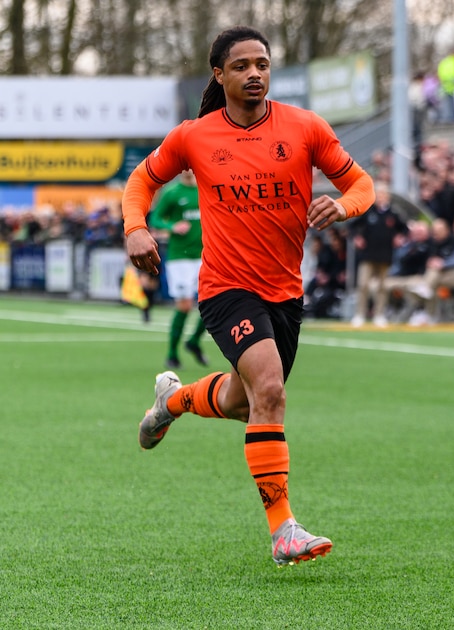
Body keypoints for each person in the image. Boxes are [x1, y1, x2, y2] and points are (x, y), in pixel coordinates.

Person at [122, 26, 375, 566]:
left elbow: (363, 185)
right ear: (220, 74)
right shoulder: (194, 136)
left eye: (262, 63)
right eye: (241, 66)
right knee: (271, 391)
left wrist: (345, 206)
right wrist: (134, 227)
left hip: (285, 292)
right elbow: (140, 181)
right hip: (226, 289)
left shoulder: (305, 127)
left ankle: (172, 401)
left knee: (247, 402)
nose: (255, 73)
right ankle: (283, 529)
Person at [148, 169, 208, 369]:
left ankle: (193, 341)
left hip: (205, 256)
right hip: (179, 257)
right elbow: (155, 218)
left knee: (213, 305)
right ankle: (172, 354)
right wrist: (173, 226)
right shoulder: (172, 192)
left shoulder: (207, 189)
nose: (189, 169)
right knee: (184, 305)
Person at [350, 181, 404, 327]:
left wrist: (399, 237)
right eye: (378, 194)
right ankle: (359, 314)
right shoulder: (368, 211)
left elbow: (404, 229)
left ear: (387, 196)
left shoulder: (393, 214)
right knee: (363, 285)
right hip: (368, 255)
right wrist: (357, 237)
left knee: (382, 287)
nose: (380, 197)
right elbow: (352, 226)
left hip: (385, 256)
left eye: (383, 194)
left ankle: (379, 315)